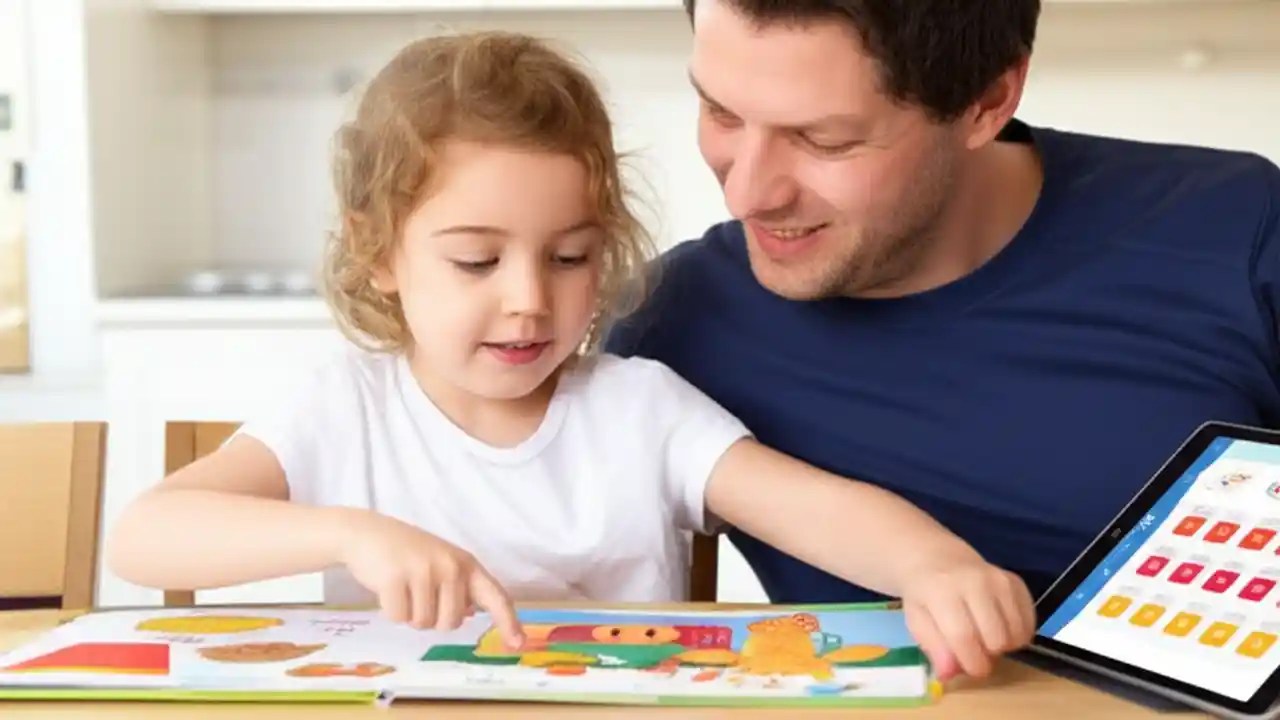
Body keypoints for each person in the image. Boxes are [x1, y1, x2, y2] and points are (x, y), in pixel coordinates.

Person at [106, 30, 1034, 681]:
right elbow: (147, 536)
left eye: (570, 257)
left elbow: (814, 508)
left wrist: (932, 567)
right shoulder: (345, 407)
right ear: (378, 252)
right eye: (476, 259)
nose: (528, 298)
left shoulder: (639, 409)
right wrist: (351, 534)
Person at [605, 0, 1280, 607]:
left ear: (987, 101)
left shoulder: (1239, 232)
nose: (748, 193)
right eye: (721, 112)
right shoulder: (670, 324)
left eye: (824, 140)